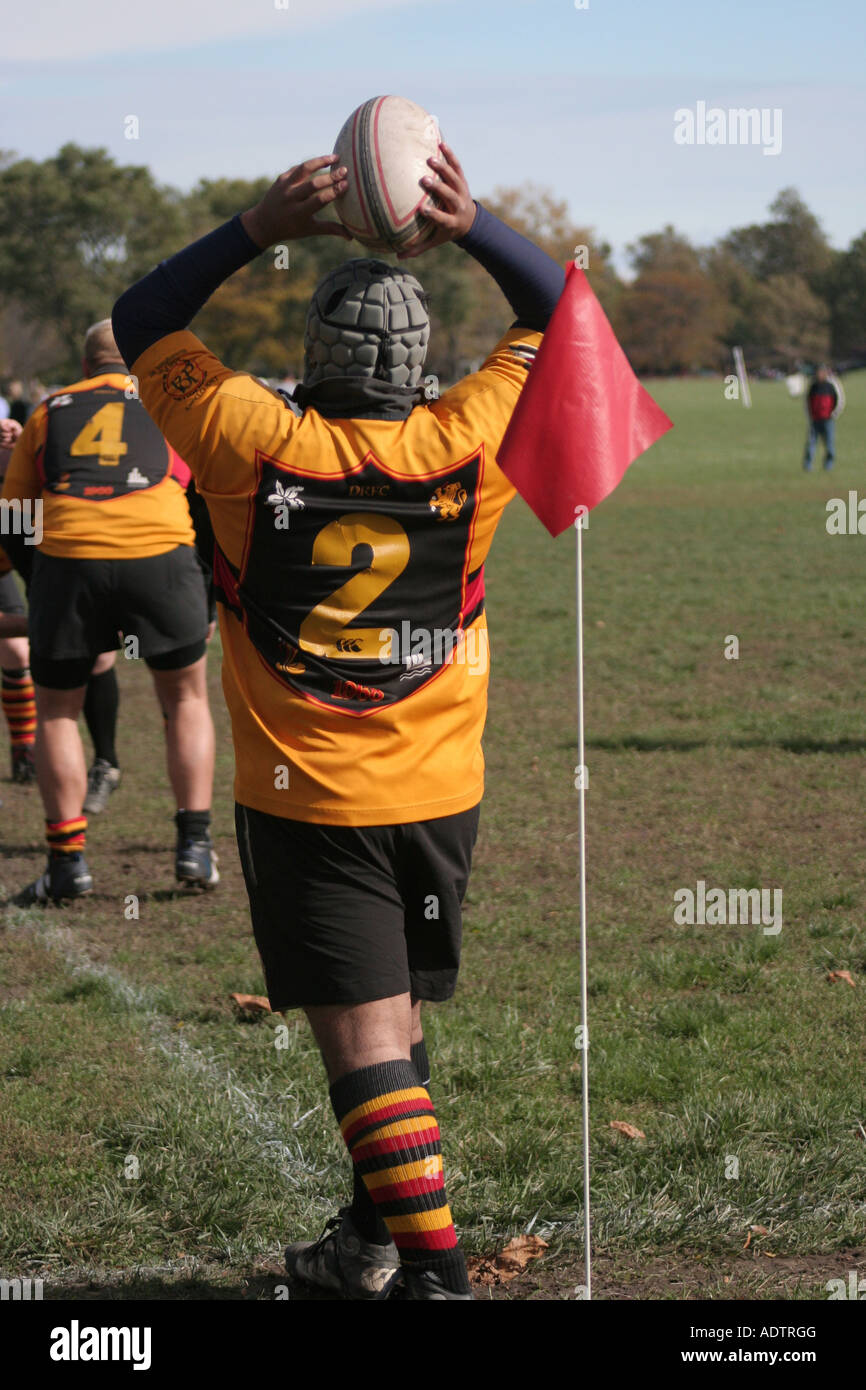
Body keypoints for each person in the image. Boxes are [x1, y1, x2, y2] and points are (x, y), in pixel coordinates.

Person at [113, 143, 563, 1301]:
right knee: (395, 1015)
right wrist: (470, 226)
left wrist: (259, 227)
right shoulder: (470, 438)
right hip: (441, 793)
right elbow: (558, 311)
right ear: (421, 362)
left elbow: (141, 312)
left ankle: (439, 1274)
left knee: (362, 1040)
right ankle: (367, 1240)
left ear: (311, 352)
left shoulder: (245, 437)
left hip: (309, 800)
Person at [0, 320, 218, 901]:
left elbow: (15, 512)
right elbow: (210, 500)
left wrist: (39, 578)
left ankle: (68, 863)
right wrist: (205, 586)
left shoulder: (48, 411)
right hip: (162, 558)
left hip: (70, 560)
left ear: (83, 363)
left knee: (57, 713)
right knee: (186, 699)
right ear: (143, 361)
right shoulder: (171, 405)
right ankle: (194, 846)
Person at [803, 365, 844, 471]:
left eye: (822, 372)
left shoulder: (831, 385)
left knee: (829, 444)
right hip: (815, 419)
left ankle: (828, 466)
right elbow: (807, 402)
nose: (820, 375)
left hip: (828, 419)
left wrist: (834, 414)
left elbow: (839, 400)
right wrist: (809, 416)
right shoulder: (813, 386)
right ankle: (808, 465)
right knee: (811, 443)